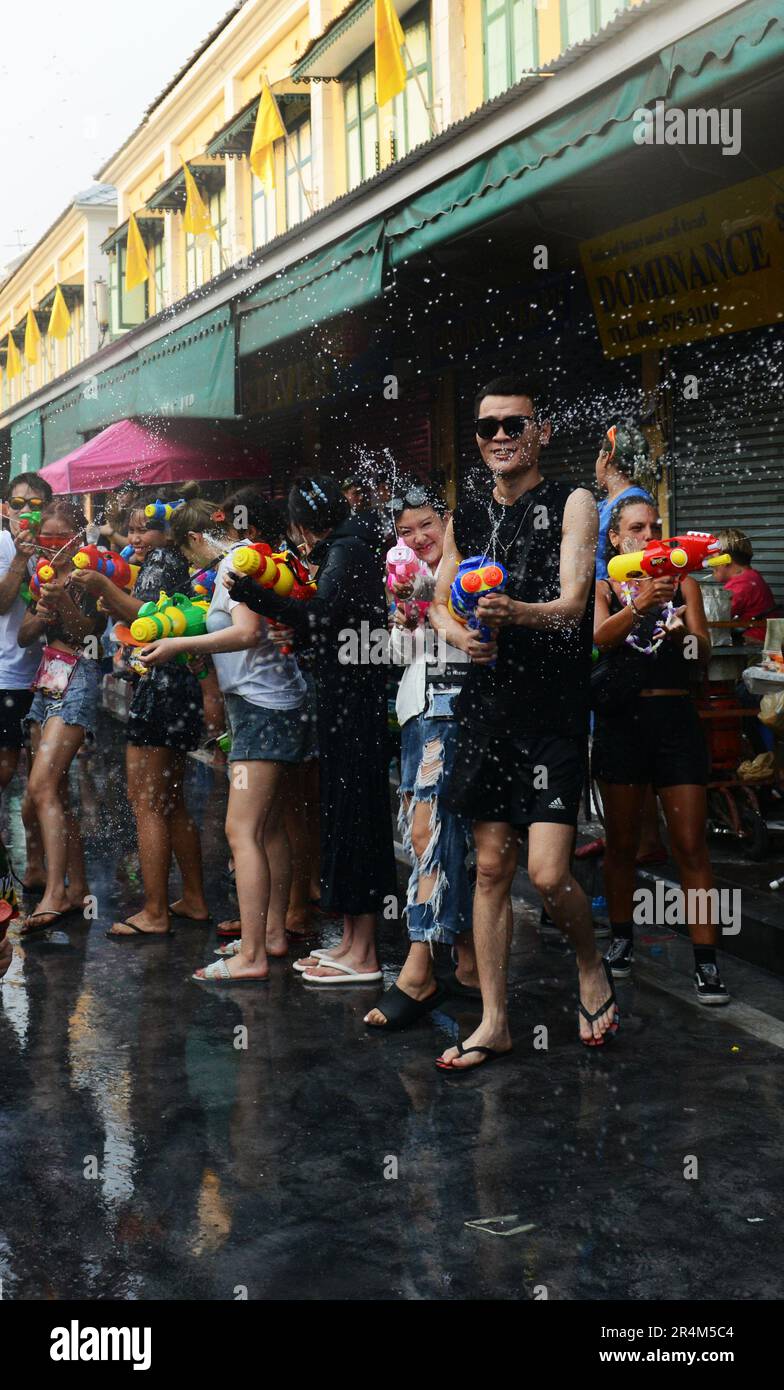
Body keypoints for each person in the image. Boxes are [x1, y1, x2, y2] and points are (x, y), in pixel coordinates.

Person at [429, 374, 616, 1069]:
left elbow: (572, 603)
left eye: (516, 424)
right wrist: (460, 637)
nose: (502, 436)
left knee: (544, 873)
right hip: (485, 711)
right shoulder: (468, 514)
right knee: (487, 868)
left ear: (540, 432)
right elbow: (437, 603)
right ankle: (495, 1020)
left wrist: (517, 615)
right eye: (488, 428)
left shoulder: (572, 500)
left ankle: (590, 962)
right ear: (477, 442)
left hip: (552, 712)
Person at [229, 475, 397, 985]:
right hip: (347, 706)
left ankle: (364, 953)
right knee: (344, 822)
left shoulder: (347, 551)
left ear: (302, 524)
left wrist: (260, 598)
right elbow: (335, 625)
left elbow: (323, 616)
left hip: (356, 711)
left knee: (357, 824)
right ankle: (350, 942)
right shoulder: (351, 546)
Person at [139, 487, 308, 982]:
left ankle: (251, 954)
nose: (188, 562)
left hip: (261, 709)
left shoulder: (236, 562)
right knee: (268, 828)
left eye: (185, 551)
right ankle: (271, 934)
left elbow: (246, 633)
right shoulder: (250, 556)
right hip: (271, 703)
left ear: (196, 538)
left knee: (241, 830)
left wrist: (178, 643)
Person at [593, 496, 729, 1005]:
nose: (649, 535)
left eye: (655, 526)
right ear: (615, 538)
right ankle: (622, 939)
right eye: (636, 527)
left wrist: (680, 633)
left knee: (690, 843)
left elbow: (701, 651)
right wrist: (640, 605)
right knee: (622, 841)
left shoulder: (685, 582)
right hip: (622, 724)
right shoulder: (605, 586)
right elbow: (600, 640)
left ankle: (707, 962)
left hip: (675, 721)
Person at [364, 485, 478, 1031]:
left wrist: (434, 597)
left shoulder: (472, 568)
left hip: (452, 711)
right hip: (417, 713)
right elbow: (398, 654)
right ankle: (472, 963)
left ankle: (417, 970)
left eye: (428, 525)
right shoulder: (407, 576)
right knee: (435, 832)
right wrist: (405, 616)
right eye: (405, 531)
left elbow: (470, 632)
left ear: (448, 520)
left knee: (430, 833)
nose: (417, 538)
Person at [70, 496, 208, 937]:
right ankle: (194, 899)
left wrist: (103, 588)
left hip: (162, 690)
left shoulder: (162, 561)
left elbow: (149, 618)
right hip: (179, 689)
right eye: (130, 531)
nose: (135, 539)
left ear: (169, 532)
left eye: (143, 530)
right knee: (173, 800)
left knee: (146, 801)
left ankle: (154, 911)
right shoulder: (173, 560)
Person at [17, 500, 105, 931]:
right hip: (46, 682)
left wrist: (63, 603)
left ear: (76, 537)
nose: (51, 546)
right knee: (57, 793)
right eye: (46, 538)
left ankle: (54, 893)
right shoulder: (42, 578)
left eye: (59, 538)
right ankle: (76, 889)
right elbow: (23, 635)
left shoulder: (92, 577)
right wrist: (42, 609)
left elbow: (89, 636)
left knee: (41, 786)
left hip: (78, 680)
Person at [0, 472, 52, 887]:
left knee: (41, 781)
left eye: (35, 505)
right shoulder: (1, 545)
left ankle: (36, 865)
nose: (26, 513)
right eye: (18, 505)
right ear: (5, 509)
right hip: (5, 677)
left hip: (49, 678)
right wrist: (20, 557)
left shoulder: (58, 545)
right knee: (4, 770)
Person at [595, 421, 654, 583]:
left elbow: (638, 559)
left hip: (621, 596)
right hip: (598, 595)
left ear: (605, 458)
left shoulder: (636, 502)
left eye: (599, 454)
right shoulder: (604, 504)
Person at [713, 528, 778, 645]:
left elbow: (714, 617)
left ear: (726, 559)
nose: (710, 563)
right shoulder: (751, 577)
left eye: (713, 557)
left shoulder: (741, 584)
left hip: (752, 650)